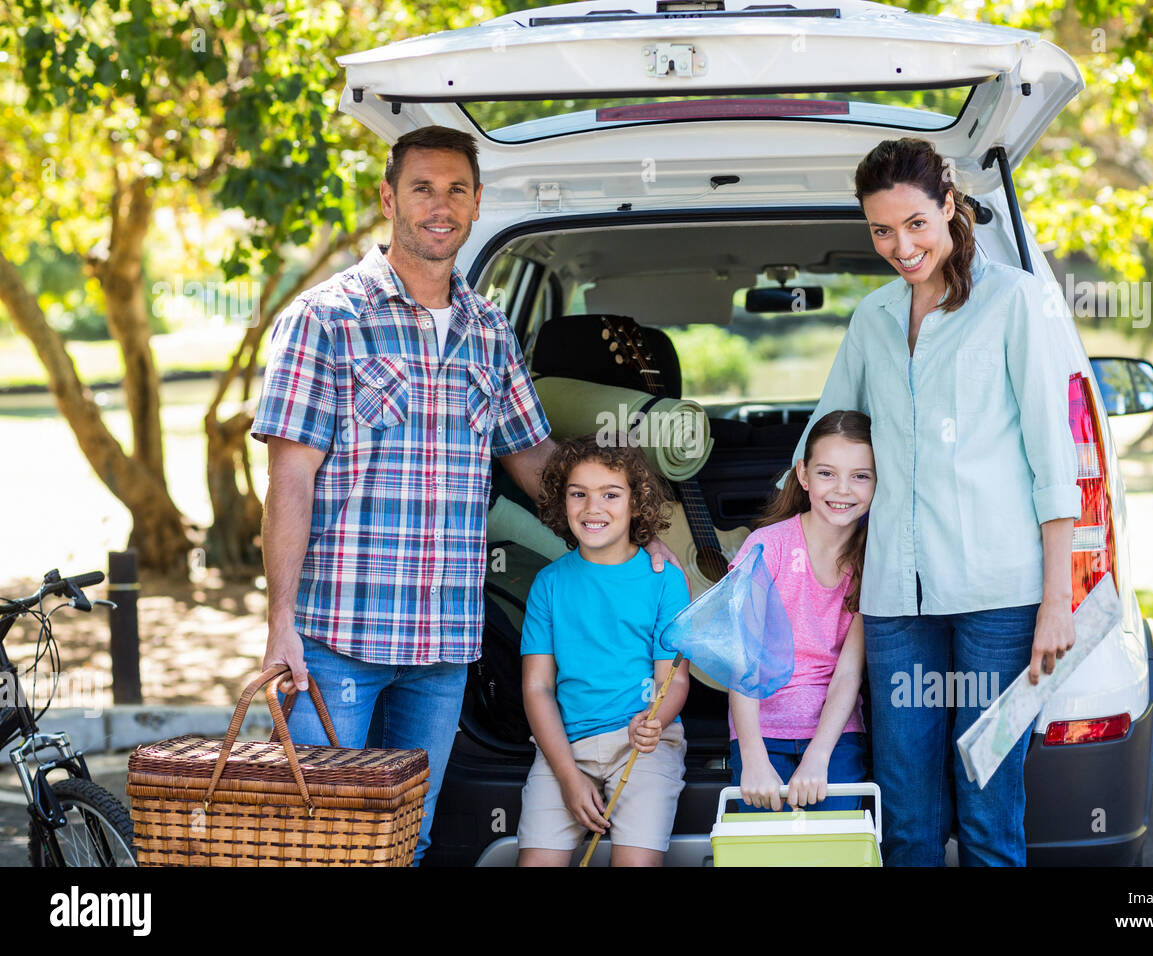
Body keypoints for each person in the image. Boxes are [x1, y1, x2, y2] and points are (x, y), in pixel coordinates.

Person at [250, 125, 679, 867]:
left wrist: (628, 526)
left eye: (455, 190)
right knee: (318, 845)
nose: (439, 206)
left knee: (404, 840)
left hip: (443, 645)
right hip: (335, 638)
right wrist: (280, 624)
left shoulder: (488, 331)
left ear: (479, 203)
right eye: (422, 188)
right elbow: (289, 479)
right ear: (388, 197)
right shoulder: (326, 319)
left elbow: (535, 459)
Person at [793, 137, 1081, 866]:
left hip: (999, 598)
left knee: (987, 811)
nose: (901, 245)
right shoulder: (873, 320)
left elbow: (1055, 460)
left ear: (950, 207)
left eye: (916, 223)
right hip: (895, 603)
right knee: (909, 817)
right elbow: (824, 445)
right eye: (882, 230)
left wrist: (1057, 600)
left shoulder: (1016, 302)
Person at [515, 435, 691, 867]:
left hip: (643, 744)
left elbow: (675, 677)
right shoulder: (550, 584)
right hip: (563, 747)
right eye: (579, 495)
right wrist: (569, 777)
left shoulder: (665, 579)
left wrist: (656, 720)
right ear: (563, 503)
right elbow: (537, 687)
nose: (593, 508)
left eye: (611, 494)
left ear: (636, 503)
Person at [729, 411, 873, 814]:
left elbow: (848, 673)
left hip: (836, 734)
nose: (842, 489)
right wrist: (754, 759)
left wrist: (819, 755)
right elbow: (743, 660)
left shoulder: (873, 560)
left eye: (861, 476)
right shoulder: (766, 547)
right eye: (827, 473)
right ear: (804, 475)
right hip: (760, 733)